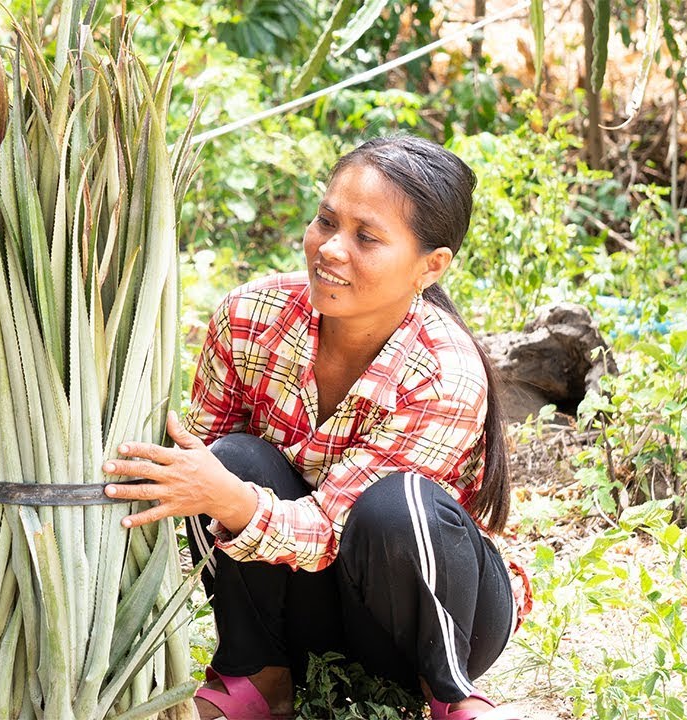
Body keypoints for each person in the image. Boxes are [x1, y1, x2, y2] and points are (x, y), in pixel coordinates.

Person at [102, 135, 531, 720]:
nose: (330, 248)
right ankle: (258, 674)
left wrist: (225, 497)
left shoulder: (444, 370)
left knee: (395, 504)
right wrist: (205, 485)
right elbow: (193, 467)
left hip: (423, 619)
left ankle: (453, 696)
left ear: (431, 266)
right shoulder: (249, 319)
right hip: (308, 611)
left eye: (366, 236)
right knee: (228, 457)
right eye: (326, 220)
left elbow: (335, 527)